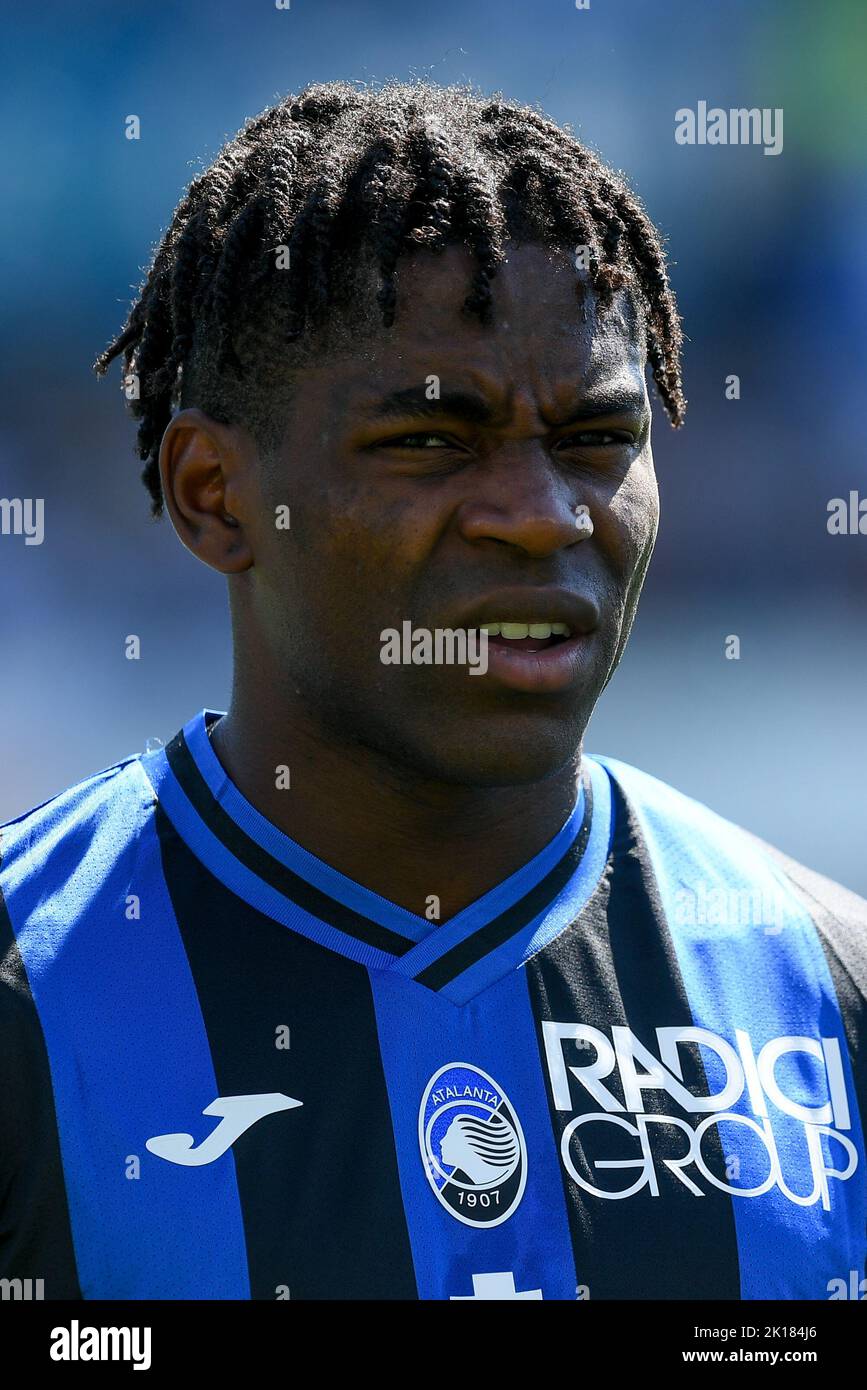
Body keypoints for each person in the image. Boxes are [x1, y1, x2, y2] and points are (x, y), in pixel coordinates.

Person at [1, 81, 864, 1302]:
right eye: (430, 439)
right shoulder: (29, 990)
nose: (539, 514)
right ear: (214, 494)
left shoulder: (827, 990)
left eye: (595, 438)